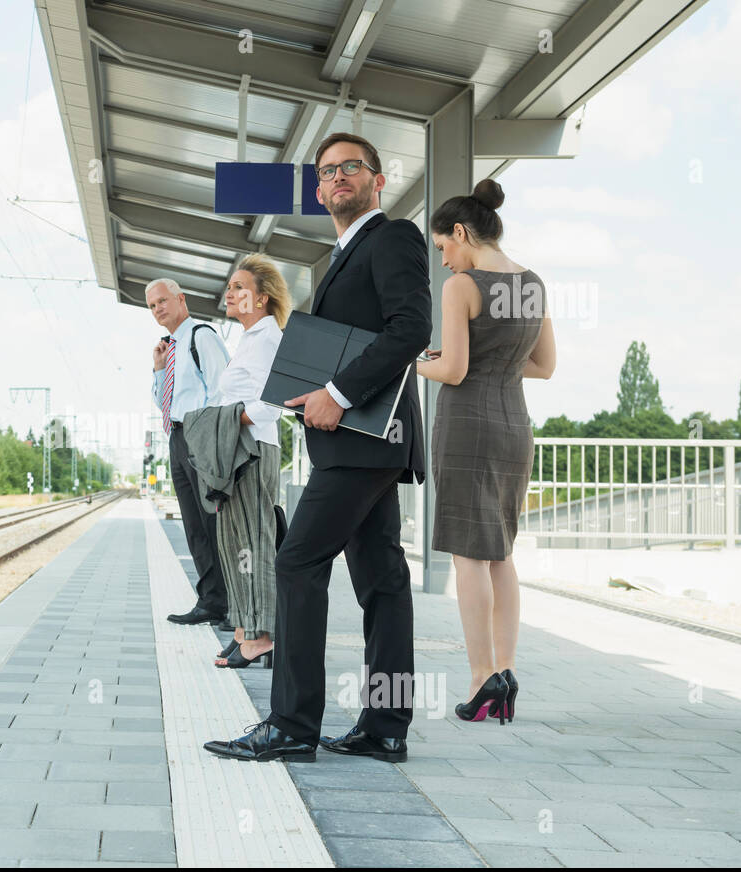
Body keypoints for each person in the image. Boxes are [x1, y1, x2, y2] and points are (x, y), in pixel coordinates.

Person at [205, 132, 430, 764]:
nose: (336, 177)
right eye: (327, 171)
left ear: (377, 180)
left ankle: (292, 723)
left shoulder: (393, 237)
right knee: (382, 582)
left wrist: (336, 391)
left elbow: (412, 328)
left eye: (350, 167)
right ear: (318, 188)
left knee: (297, 563)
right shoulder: (343, 253)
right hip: (362, 445)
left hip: (365, 440)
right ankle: (385, 727)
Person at [416, 178, 556, 725]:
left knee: (467, 553)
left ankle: (480, 679)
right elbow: (544, 366)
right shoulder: (533, 284)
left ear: (460, 232)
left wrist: (414, 363)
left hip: (467, 424)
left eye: (443, 248)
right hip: (514, 425)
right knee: (500, 552)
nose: (444, 261)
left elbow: (452, 371)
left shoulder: (463, 286)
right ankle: (506, 670)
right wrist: (483, 360)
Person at [200, 255, 288, 669]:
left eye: (239, 287)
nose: (230, 293)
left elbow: (273, 404)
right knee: (235, 544)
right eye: (230, 286)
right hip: (237, 452)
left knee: (253, 543)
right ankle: (244, 630)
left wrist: (227, 421)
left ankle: (261, 637)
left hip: (253, 450)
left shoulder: (268, 339)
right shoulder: (251, 339)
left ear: (262, 298)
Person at [148, 277, 232, 626]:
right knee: (194, 524)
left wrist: (209, 438)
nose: (158, 309)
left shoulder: (202, 336)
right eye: (152, 306)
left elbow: (222, 389)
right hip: (177, 436)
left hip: (201, 434)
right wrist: (159, 370)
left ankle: (233, 603)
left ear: (180, 299)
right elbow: (163, 402)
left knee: (214, 521)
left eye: (162, 301)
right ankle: (211, 600)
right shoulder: (169, 347)